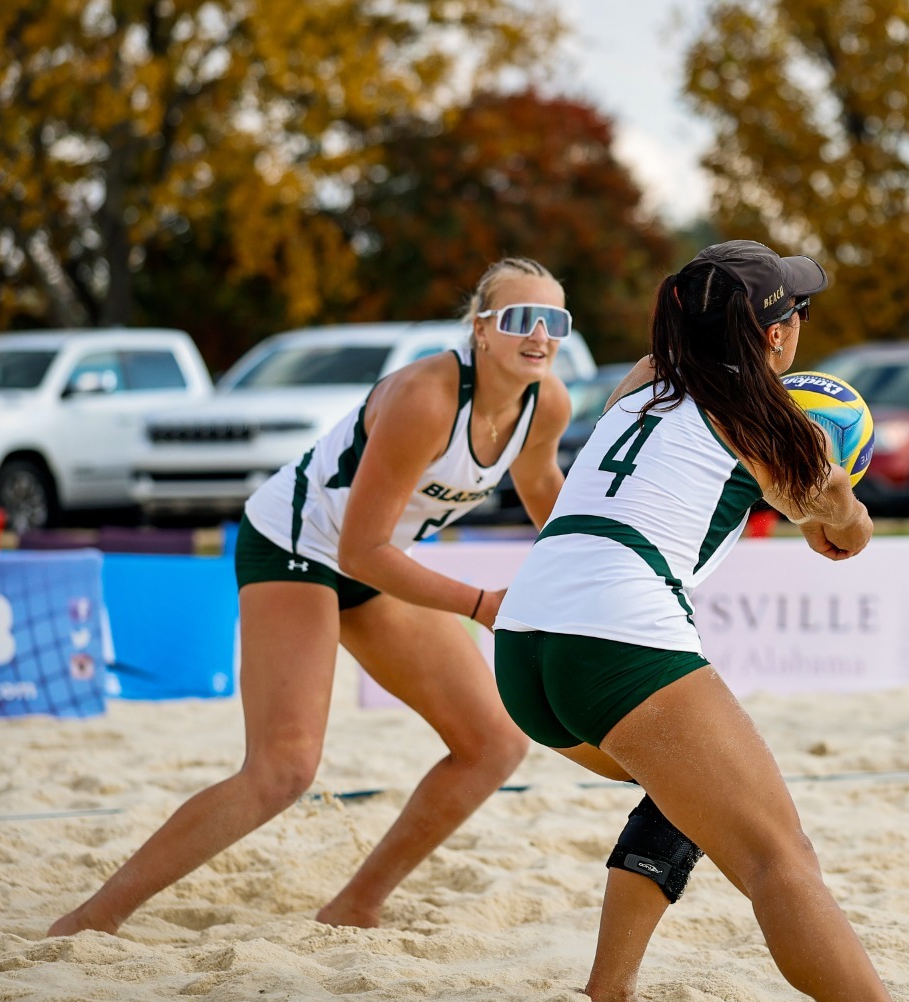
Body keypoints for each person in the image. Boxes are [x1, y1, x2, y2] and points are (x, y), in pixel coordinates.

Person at [490, 241, 909, 1002]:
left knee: (685, 792)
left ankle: (609, 989)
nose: (801, 323)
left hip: (523, 645)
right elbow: (846, 537)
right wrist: (839, 494)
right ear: (774, 336)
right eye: (797, 312)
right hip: (616, 635)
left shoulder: (640, 378)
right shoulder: (766, 421)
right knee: (779, 857)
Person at [50, 258, 573, 936]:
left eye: (554, 319)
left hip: (373, 556)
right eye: (520, 318)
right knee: (283, 769)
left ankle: (355, 905)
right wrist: (480, 605)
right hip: (295, 545)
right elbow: (360, 552)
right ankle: (91, 920)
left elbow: (543, 492)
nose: (539, 334)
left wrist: (597, 572)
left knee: (494, 744)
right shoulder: (426, 398)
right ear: (480, 328)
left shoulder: (546, 403)